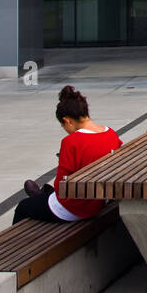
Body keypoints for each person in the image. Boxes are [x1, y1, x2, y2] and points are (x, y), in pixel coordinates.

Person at [13, 85, 122, 224]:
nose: (65, 130)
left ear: (67, 120)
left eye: (63, 125)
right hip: (99, 201)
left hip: (74, 209)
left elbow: (61, 188)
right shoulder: (110, 134)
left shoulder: (71, 141)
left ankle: (9, 244)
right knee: (41, 200)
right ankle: (42, 195)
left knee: (23, 206)